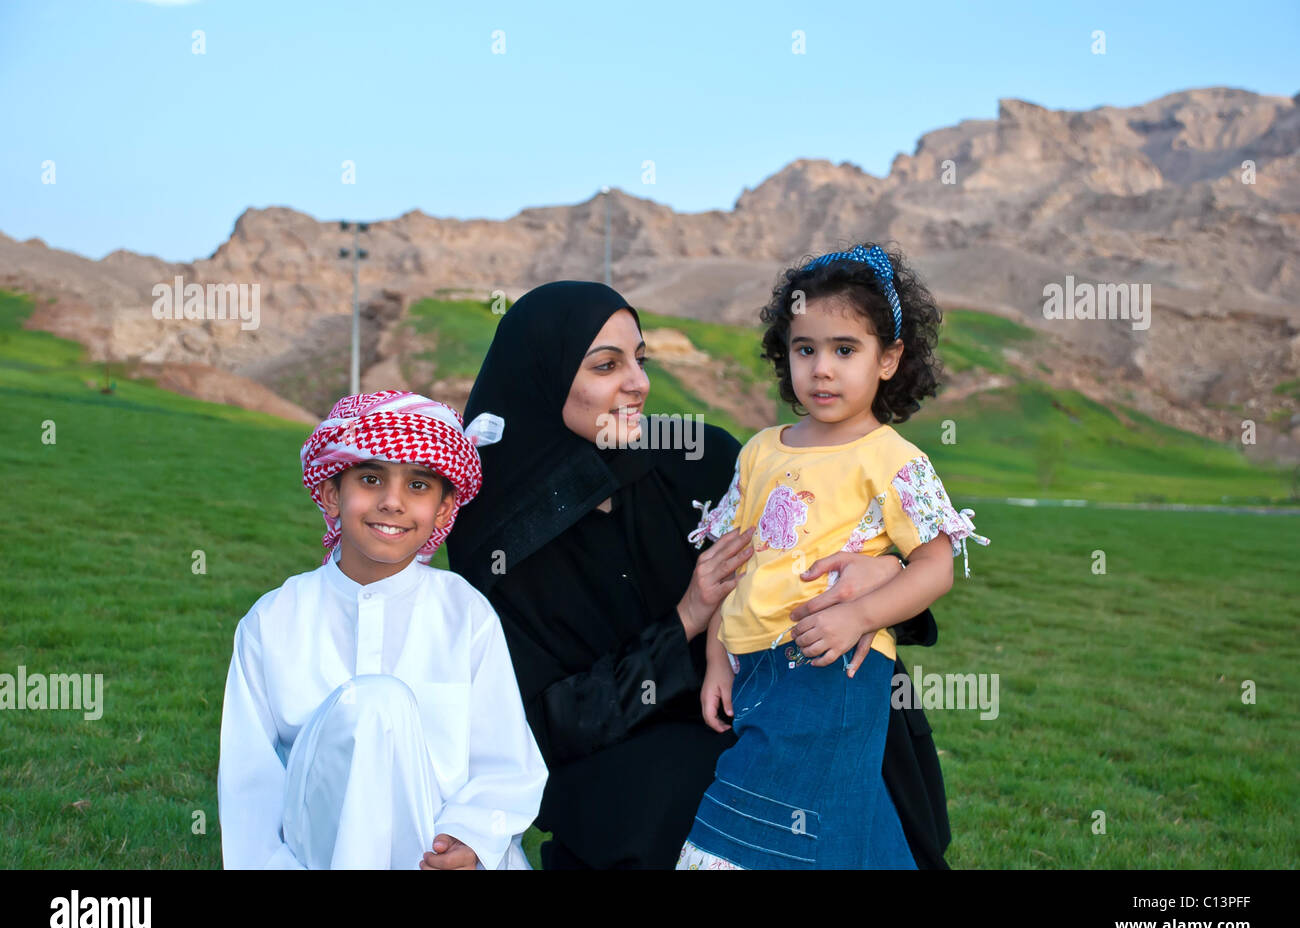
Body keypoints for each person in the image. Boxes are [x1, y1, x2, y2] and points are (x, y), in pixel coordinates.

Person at [446, 280, 952, 869]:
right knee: (685, 791)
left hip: (767, 707)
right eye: (606, 365)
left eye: (641, 359)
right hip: (624, 766)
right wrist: (687, 617)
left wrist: (881, 568)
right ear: (543, 376)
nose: (638, 383)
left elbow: (836, 559)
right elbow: (540, 726)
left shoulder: (700, 459)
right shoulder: (495, 533)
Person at [676, 243, 989, 869]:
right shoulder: (762, 450)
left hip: (832, 667)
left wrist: (860, 616)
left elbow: (935, 567)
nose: (822, 369)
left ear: (889, 359)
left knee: (750, 826)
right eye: (805, 349)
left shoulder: (894, 459)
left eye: (845, 350)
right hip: (752, 668)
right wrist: (715, 659)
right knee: (841, 822)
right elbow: (729, 568)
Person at [217, 390, 547, 870]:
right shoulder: (274, 619)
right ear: (332, 493)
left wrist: (473, 838)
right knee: (375, 702)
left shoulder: (465, 613)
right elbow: (251, 782)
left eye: (418, 486)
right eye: (371, 479)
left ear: (442, 510)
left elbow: (504, 761)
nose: (392, 503)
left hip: (438, 854)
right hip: (320, 855)